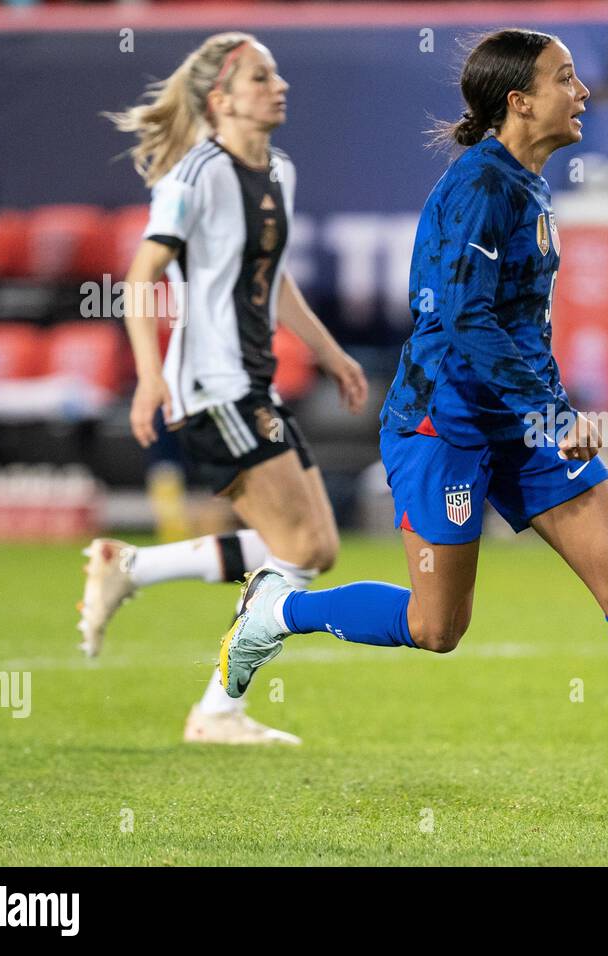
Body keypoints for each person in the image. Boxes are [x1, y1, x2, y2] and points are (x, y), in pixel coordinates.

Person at [216, 29, 608, 828]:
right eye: (566, 78)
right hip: (444, 424)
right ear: (519, 101)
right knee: (437, 627)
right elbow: (465, 323)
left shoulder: (528, 185)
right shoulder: (478, 188)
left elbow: (518, 326)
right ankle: (275, 615)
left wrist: (545, 405)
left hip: (522, 424)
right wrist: (552, 410)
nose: (583, 91)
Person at [83, 32, 368, 745]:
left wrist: (329, 352)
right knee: (298, 547)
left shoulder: (281, 171)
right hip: (212, 388)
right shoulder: (194, 176)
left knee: (316, 547)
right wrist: (149, 377)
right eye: (262, 77)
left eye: (277, 75)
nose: (281, 87)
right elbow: (142, 278)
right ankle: (217, 709)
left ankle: (134, 566)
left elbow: (274, 279)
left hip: (253, 384)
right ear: (222, 98)